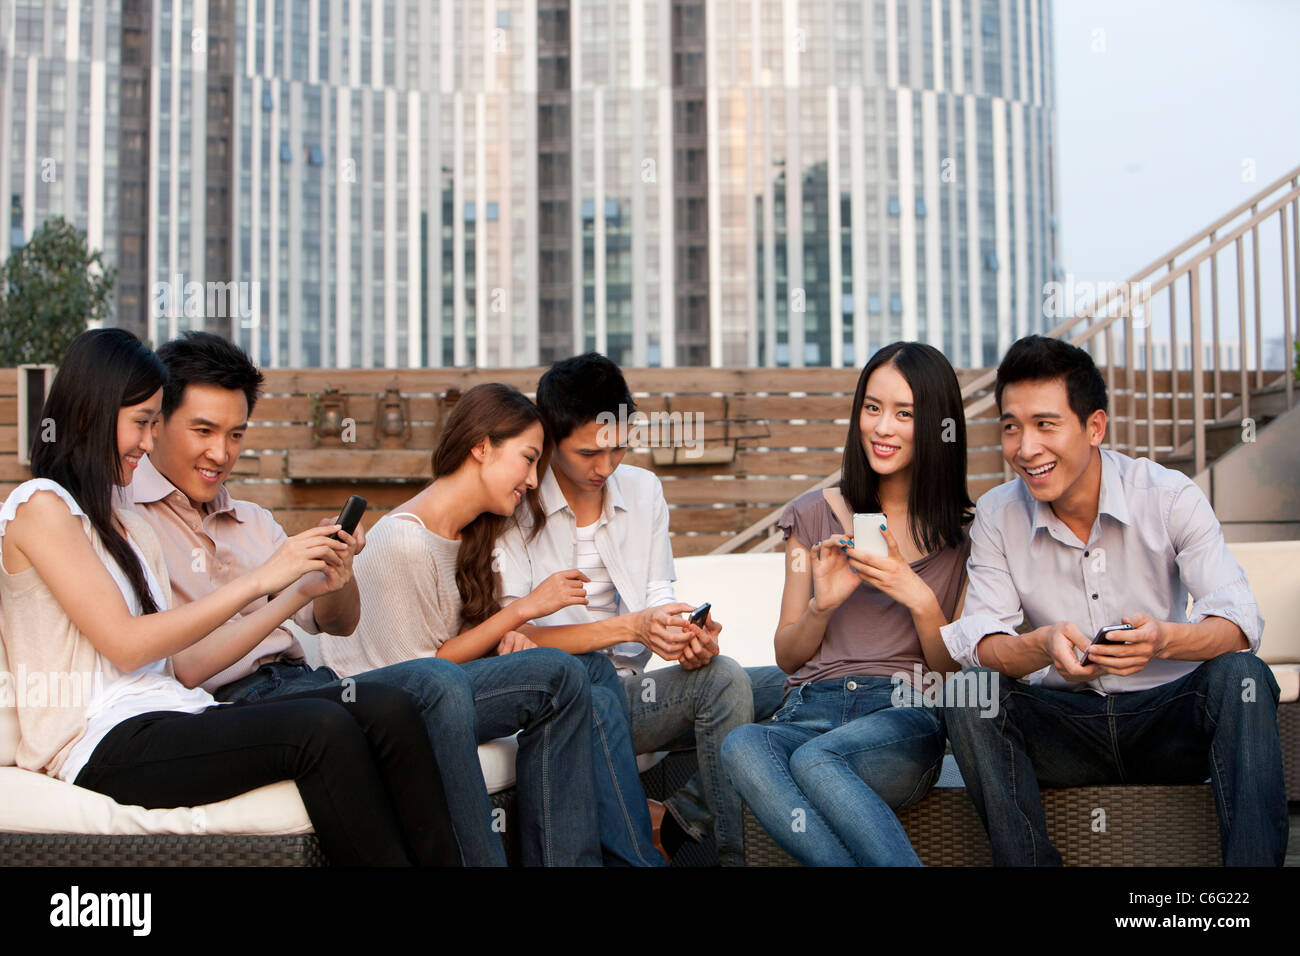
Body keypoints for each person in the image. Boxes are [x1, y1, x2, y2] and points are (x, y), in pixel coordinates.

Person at [130, 331, 598, 866]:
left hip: (310, 682)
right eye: (203, 431)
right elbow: (185, 668)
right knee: (435, 681)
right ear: (156, 424)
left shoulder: (253, 521)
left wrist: (337, 574)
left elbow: (336, 623)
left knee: (562, 676)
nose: (222, 452)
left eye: (235, 434)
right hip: (240, 707)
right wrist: (273, 585)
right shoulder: (133, 525)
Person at [0, 328, 458, 866]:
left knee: (390, 709)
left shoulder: (125, 526)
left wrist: (299, 590)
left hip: (176, 711)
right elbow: (125, 646)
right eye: (142, 423)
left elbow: (185, 665)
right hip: (100, 746)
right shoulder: (39, 507)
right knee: (321, 728)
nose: (148, 443)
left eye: (152, 424)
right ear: (89, 414)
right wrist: (262, 580)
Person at [940, 334, 1284, 866]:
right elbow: (981, 643)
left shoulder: (1167, 496)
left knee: (1243, 677)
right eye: (1011, 427)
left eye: (1045, 424)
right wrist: (1042, 643)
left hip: (1166, 722)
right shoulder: (996, 514)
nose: (1025, 448)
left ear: (1094, 426)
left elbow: (1239, 624)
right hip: (1065, 728)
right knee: (970, 693)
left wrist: (1166, 640)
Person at [319, 382, 661, 866]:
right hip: (384, 703)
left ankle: (629, 858)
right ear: (481, 446)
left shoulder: (473, 534)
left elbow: (458, 651)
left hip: (439, 686)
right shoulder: (403, 541)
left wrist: (508, 640)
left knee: (589, 669)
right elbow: (422, 676)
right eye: (527, 458)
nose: (531, 478)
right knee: (559, 674)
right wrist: (522, 611)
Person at [493, 353, 789, 866]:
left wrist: (683, 632)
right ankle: (727, 856)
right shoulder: (517, 506)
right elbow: (515, 642)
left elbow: (657, 594)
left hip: (637, 692)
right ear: (549, 438)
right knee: (724, 683)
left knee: (796, 685)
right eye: (588, 452)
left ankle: (681, 816)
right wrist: (631, 627)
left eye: (619, 448)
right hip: (573, 703)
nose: (605, 467)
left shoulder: (643, 490)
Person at [719, 342, 970, 865]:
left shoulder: (966, 535)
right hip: (810, 707)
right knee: (741, 744)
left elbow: (951, 671)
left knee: (817, 760)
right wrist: (822, 606)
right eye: (872, 408)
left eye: (905, 413)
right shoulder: (812, 515)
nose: (882, 427)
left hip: (903, 716)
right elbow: (787, 656)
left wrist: (918, 596)